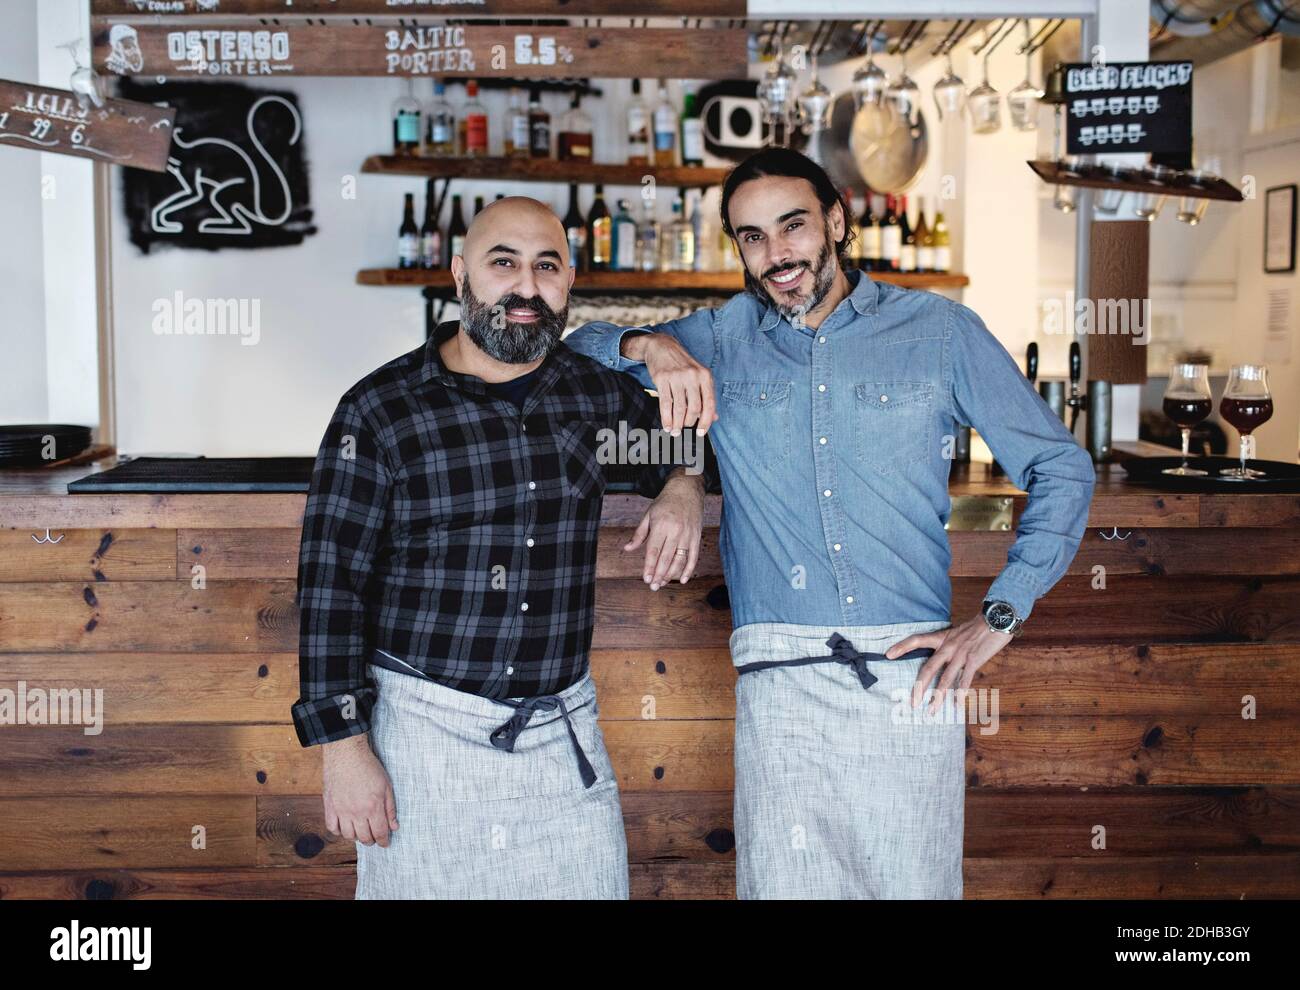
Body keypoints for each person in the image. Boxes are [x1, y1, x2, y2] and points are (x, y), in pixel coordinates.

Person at [563, 148, 1096, 899]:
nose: (776, 255)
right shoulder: (718, 336)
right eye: (752, 237)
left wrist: (999, 617)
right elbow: (576, 352)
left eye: (793, 227)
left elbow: (1062, 468)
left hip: (914, 671)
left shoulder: (940, 331)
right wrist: (654, 365)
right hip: (780, 680)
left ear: (836, 222)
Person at [292, 196, 709, 899]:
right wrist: (344, 751)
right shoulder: (381, 410)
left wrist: (684, 488)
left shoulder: (594, 397)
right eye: (503, 263)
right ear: (461, 274)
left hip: (559, 732)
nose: (526, 287)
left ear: (569, 281)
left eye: (546, 266)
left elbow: (684, 446)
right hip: (424, 736)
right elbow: (331, 586)